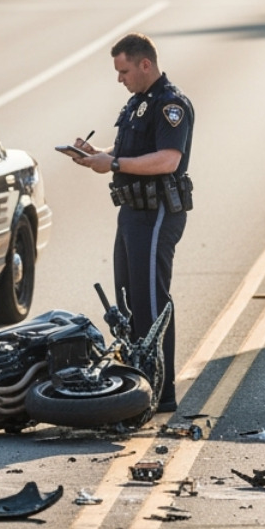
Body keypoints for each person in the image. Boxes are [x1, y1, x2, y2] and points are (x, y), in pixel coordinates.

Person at [71, 33, 194, 413]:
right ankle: (139, 379)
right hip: (131, 212)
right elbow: (127, 150)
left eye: (124, 70)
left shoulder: (170, 105)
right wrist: (98, 154)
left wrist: (116, 165)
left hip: (157, 212)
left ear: (145, 64)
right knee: (128, 297)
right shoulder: (138, 104)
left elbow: (168, 160)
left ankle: (162, 389)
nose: (119, 78)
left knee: (151, 300)